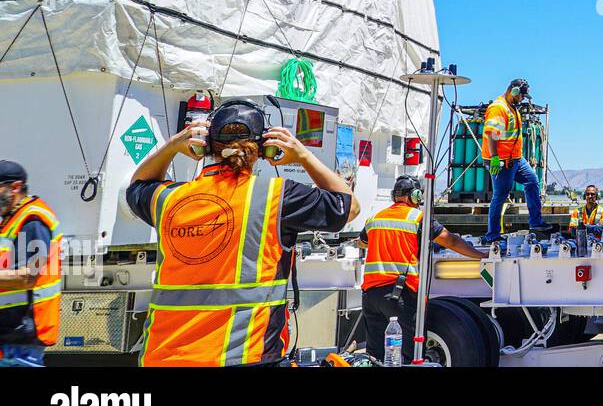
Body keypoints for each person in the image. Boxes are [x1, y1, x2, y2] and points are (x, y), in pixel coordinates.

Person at [126, 99, 359, 366]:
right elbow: (349, 207)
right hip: (243, 355)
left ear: (207, 146)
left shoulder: (167, 199)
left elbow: (139, 184)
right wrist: (303, 156)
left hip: (164, 356)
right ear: (264, 149)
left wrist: (174, 145)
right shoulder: (276, 196)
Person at [358, 175, 485, 363]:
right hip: (398, 295)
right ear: (415, 196)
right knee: (410, 356)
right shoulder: (417, 218)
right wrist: (481, 255)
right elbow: (450, 240)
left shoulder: (375, 218)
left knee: (375, 357)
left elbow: (361, 242)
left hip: (370, 296)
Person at [0, 161, 61, 367]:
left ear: (15, 187)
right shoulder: (10, 220)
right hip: (11, 337)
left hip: (22, 339)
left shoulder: (32, 220)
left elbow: (27, 276)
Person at [482, 79, 551, 243]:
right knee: (500, 196)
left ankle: (536, 222)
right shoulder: (498, 108)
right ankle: (492, 235)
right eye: (522, 96)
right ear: (513, 92)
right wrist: (494, 158)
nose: (523, 99)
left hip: (516, 159)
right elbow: (491, 134)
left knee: (532, 181)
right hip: (501, 161)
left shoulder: (512, 108)